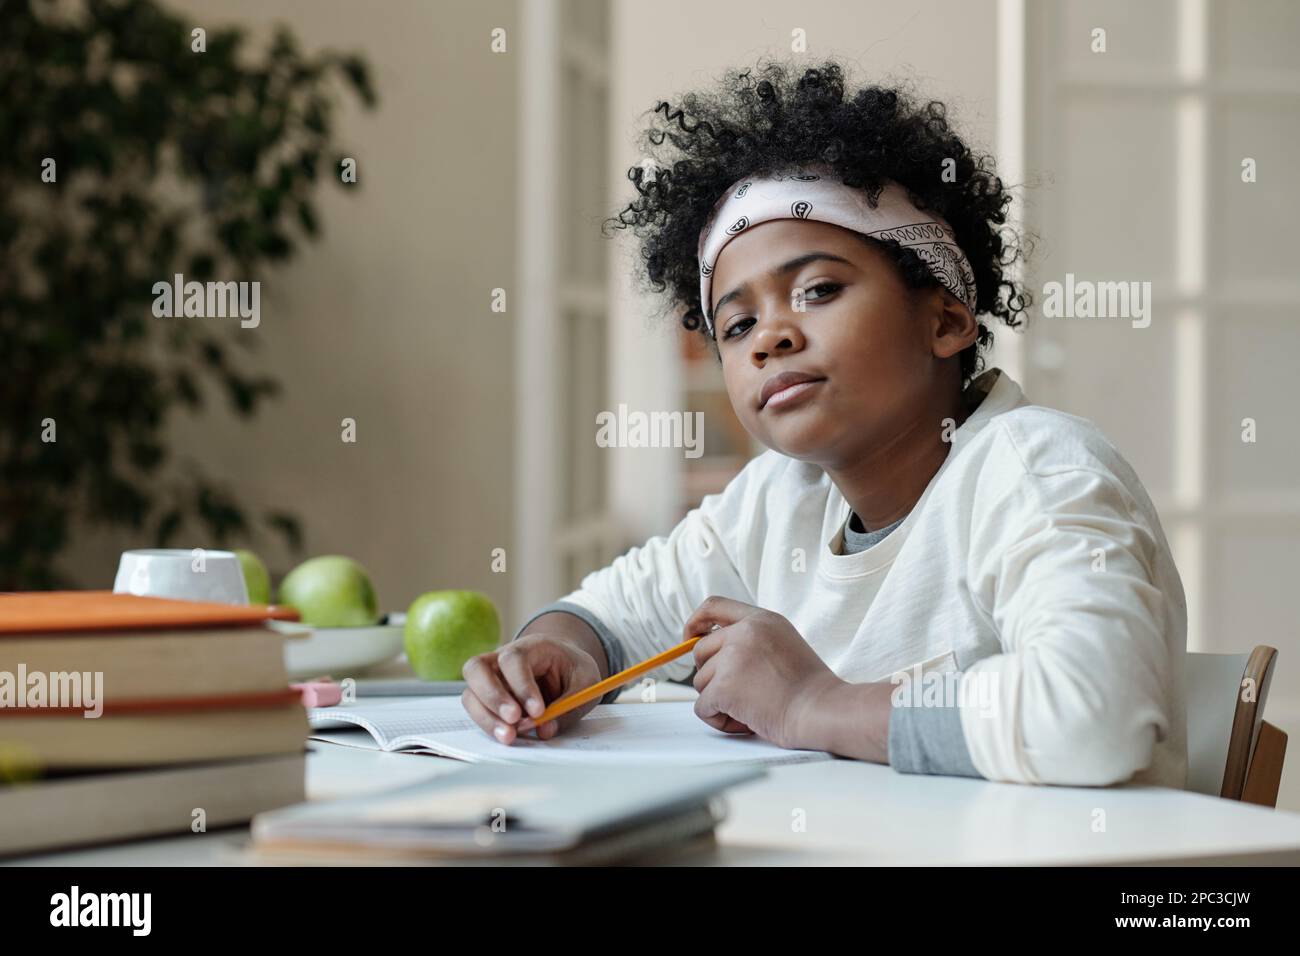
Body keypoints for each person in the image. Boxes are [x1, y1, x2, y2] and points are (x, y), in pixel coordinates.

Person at [462, 59, 1186, 787]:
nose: (770, 336)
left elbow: (1091, 713)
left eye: (818, 290)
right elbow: (609, 617)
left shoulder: (1034, 470)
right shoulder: (780, 498)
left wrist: (814, 703)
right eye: (738, 325)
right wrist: (557, 654)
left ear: (945, 319)